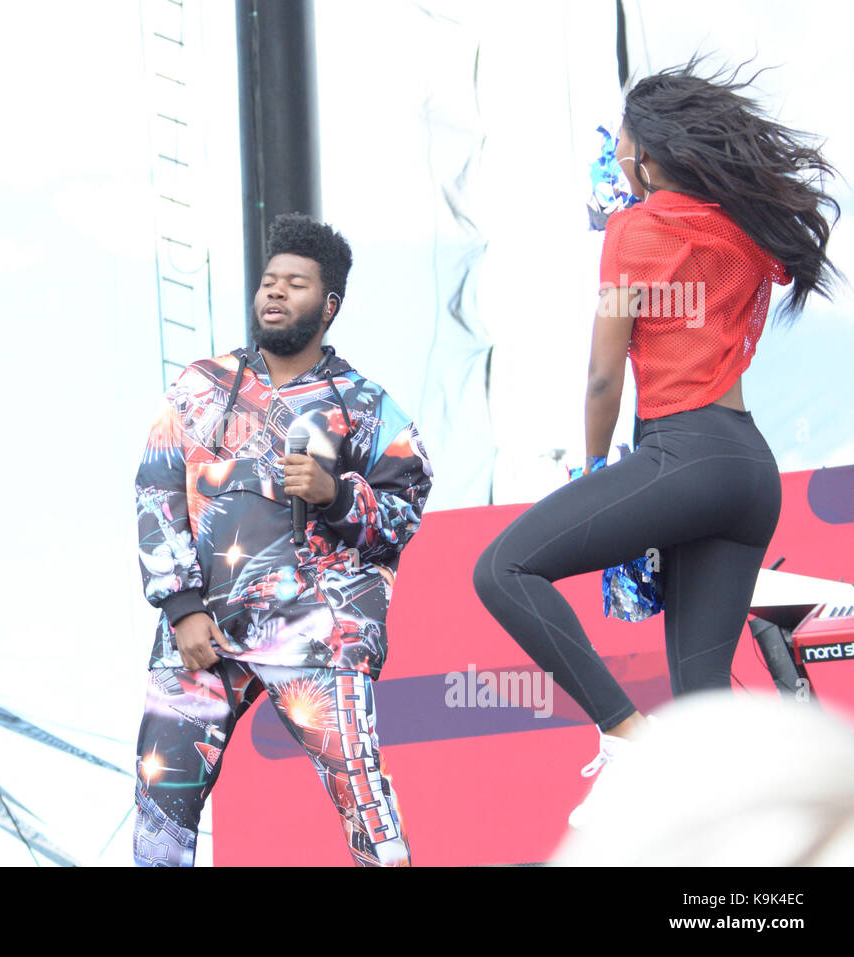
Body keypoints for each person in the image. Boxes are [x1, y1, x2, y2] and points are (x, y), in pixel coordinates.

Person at [472, 59, 843, 828]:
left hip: (685, 453)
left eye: (625, 149)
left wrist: (595, 470)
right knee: (707, 705)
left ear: (643, 154)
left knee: (502, 567)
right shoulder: (746, 226)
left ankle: (625, 733)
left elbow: (604, 376)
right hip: (749, 471)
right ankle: (767, 863)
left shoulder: (632, 231)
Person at [133, 214, 434, 866]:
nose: (273, 294)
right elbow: (156, 487)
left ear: (328, 306)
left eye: (294, 284)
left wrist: (337, 495)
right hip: (203, 631)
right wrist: (182, 606)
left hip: (316, 631)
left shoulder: (365, 405)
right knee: (162, 802)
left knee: (364, 797)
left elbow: (405, 508)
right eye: (269, 282)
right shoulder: (201, 384)